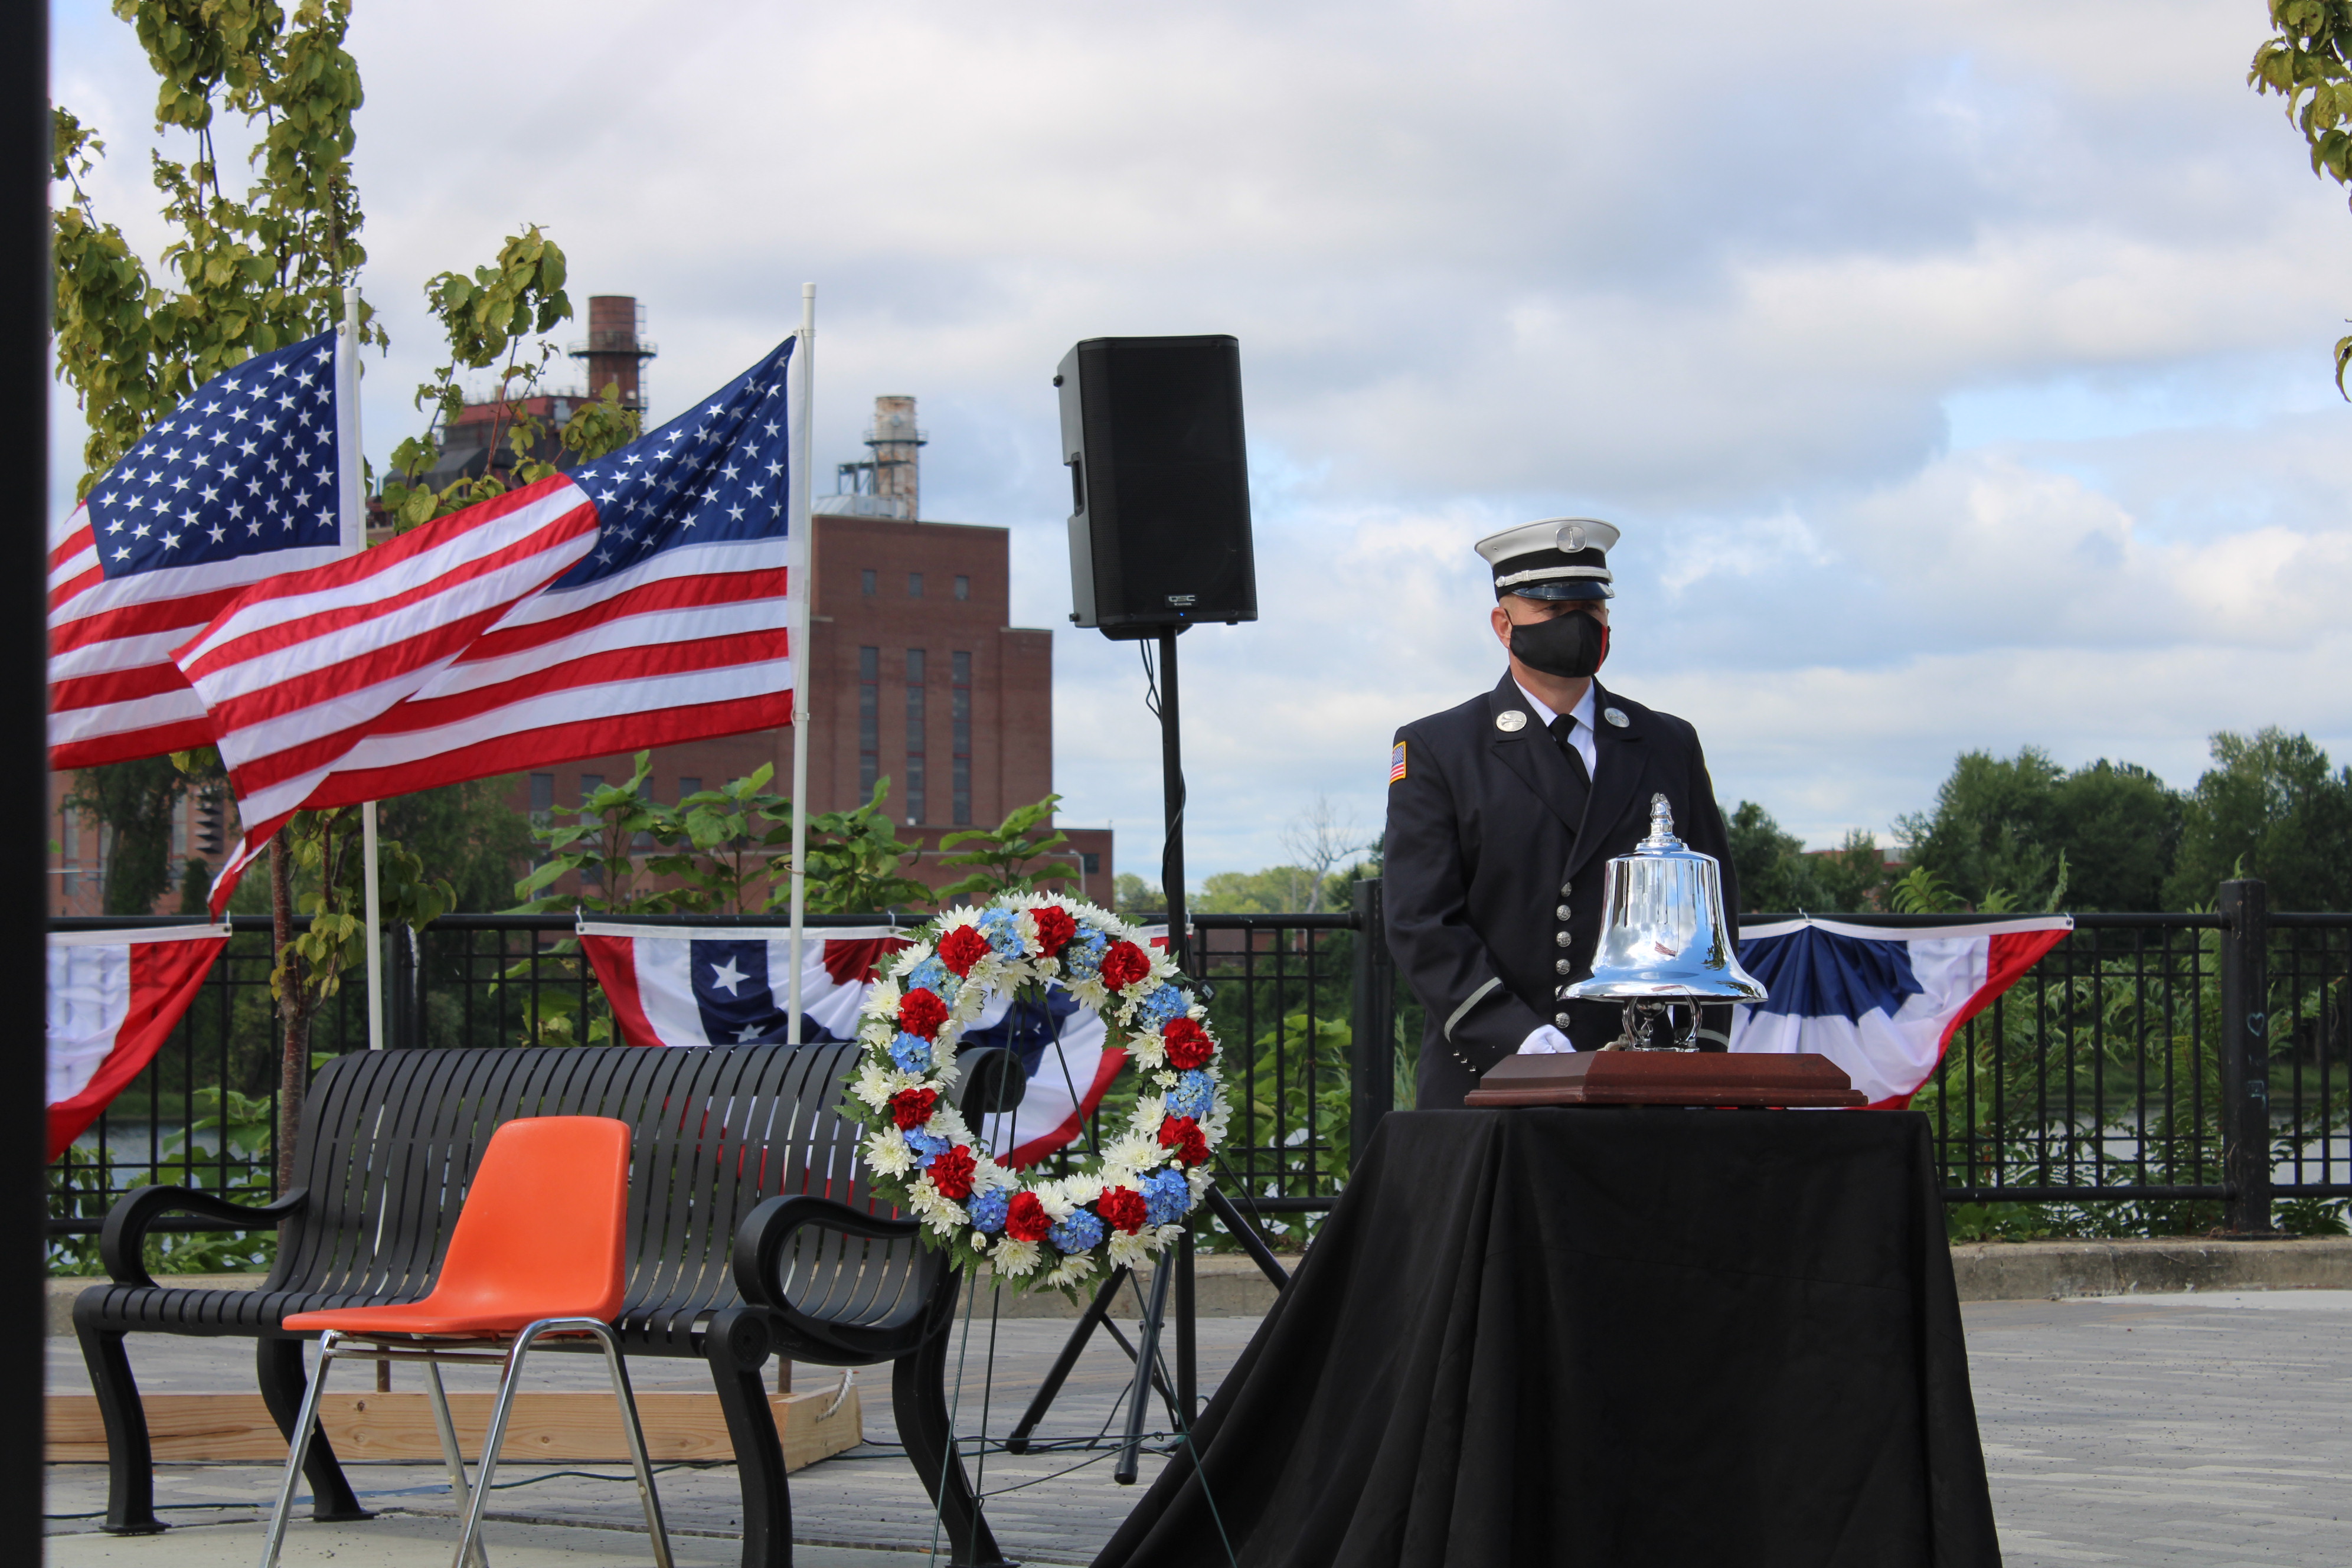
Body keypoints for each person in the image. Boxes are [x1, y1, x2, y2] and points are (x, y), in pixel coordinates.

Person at [1382, 518, 1740, 1109]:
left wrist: (1698, 1047)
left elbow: (1714, 906)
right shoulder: (1441, 749)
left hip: (1645, 1085)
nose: (1577, 625)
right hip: (1493, 1082)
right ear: (1504, 624)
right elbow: (1421, 921)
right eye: (1553, 610)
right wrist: (1521, 1039)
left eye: (1590, 609)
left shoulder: (1668, 743)